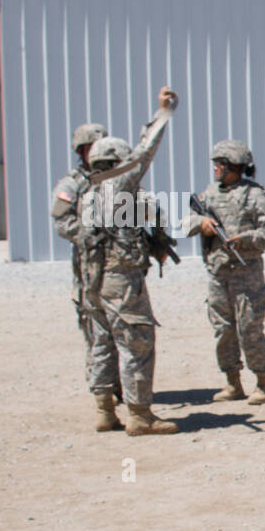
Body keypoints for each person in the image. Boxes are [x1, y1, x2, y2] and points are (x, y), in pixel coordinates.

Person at [78, 101, 178, 436]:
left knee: (103, 343)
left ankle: (105, 410)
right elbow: (144, 154)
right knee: (137, 343)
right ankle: (140, 416)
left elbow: (137, 221)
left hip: (94, 281)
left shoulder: (91, 192)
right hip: (122, 282)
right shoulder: (117, 185)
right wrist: (163, 114)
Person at [183, 140, 265, 405]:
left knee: (250, 329)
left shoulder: (254, 195)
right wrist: (200, 222)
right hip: (218, 273)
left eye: (221, 164)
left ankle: (263, 381)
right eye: (215, 163)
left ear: (235, 166)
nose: (216, 168)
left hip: (246, 273)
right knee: (223, 330)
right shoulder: (210, 193)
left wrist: (245, 239)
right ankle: (232, 382)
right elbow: (185, 221)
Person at [52, 122, 109, 388]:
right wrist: (90, 234)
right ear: (82, 150)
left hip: (118, 267)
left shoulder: (115, 178)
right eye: (93, 148)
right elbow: (62, 222)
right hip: (89, 266)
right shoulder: (72, 183)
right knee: (93, 326)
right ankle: (101, 388)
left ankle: (120, 384)